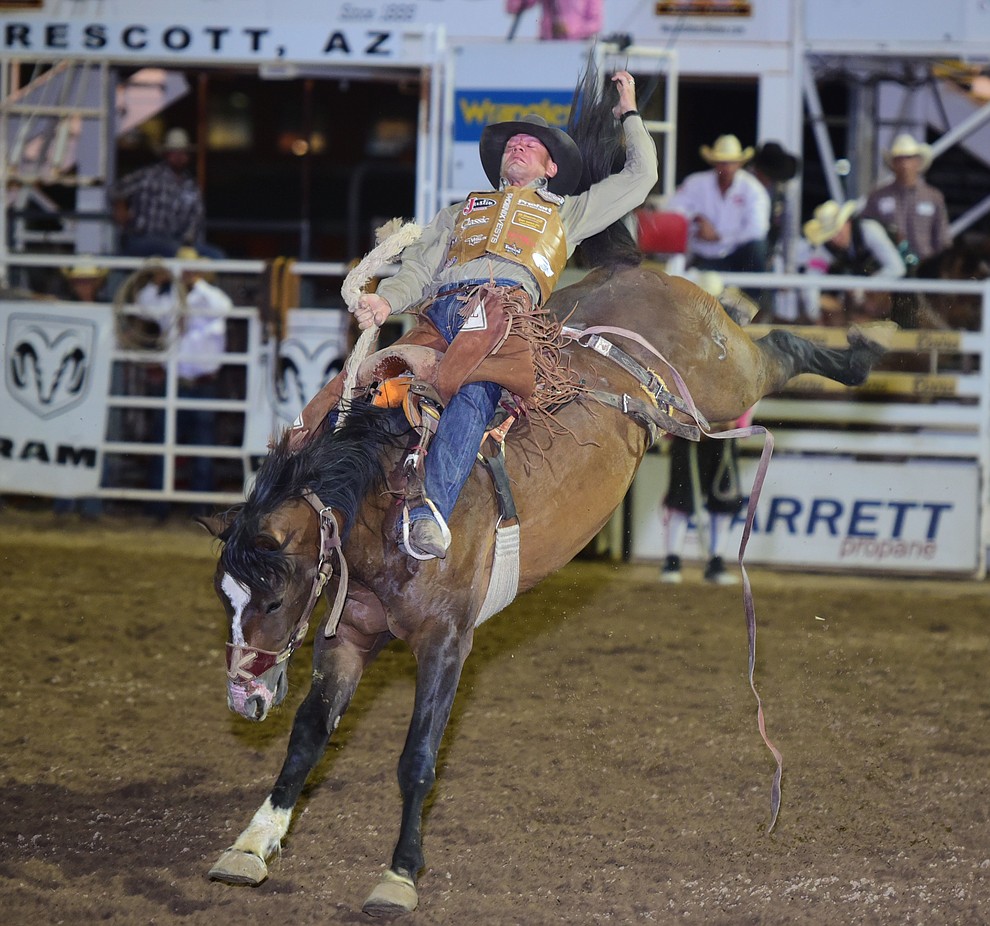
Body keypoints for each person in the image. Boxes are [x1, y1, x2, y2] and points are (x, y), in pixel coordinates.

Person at [353, 71, 656, 560]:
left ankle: (433, 510)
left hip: (500, 312)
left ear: (550, 168)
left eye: (529, 146)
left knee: (477, 385)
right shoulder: (458, 213)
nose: (516, 146)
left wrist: (629, 114)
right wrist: (386, 301)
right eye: (512, 143)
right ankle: (313, 491)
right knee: (370, 386)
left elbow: (640, 178)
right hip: (439, 313)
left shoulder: (568, 214)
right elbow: (420, 268)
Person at [134, 247, 233, 510]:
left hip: (202, 383)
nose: (187, 273)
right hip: (175, 384)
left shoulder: (210, 298)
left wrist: (195, 282)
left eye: (191, 268)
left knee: (202, 448)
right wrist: (158, 281)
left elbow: (224, 307)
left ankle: (199, 507)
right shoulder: (168, 300)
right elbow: (143, 307)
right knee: (164, 444)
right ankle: (157, 507)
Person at [52, 259, 110, 520]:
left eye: (88, 281)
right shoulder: (62, 308)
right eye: (79, 281)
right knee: (65, 443)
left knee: (95, 445)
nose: (83, 286)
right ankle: (64, 503)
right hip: (70, 387)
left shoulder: (104, 309)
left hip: (96, 388)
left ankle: (90, 505)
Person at [667, 134, 771, 277]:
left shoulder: (752, 189)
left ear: (740, 163)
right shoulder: (696, 183)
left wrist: (720, 237)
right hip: (704, 255)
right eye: (722, 162)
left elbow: (757, 230)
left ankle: (757, 296)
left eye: (731, 162)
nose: (727, 167)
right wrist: (696, 218)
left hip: (737, 255)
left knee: (757, 248)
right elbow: (673, 209)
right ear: (714, 162)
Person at [109, 128, 220, 259]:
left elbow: (196, 221)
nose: (179, 157)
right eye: (174, 152)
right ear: (166, 154)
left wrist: (189, 245)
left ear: (188, 156)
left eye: (183, 152)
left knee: (215, 256)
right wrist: (120, 206)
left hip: (178, 241)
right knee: (175, 251)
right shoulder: (148, 175)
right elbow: (116, 188)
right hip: (142, 238)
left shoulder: (192, 187)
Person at [799, 199, 906, 325]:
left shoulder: (869, 231)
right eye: (829, 234)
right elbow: (811, 280)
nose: (835, 238)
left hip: (886, 295)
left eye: (837, 230)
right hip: (852, 300)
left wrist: (864, 287)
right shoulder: (825, 247)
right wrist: (815, 315)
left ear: (848, 222)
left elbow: (897, 268)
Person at [861, 133, 952, 267]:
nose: (904, 164)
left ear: (918, 162)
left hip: (926, 265)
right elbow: (866, 232)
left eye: (909, 158)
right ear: (893, 163)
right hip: (888, 264)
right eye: (899, 159)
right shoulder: (877, 196)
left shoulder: (933, 196)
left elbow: (942, 237)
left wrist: (940, 265)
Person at [505, 0, 603, 40]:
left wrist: (569, 30)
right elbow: (513, 7)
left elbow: (596, 24)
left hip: (576, 52)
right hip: (547, 48)